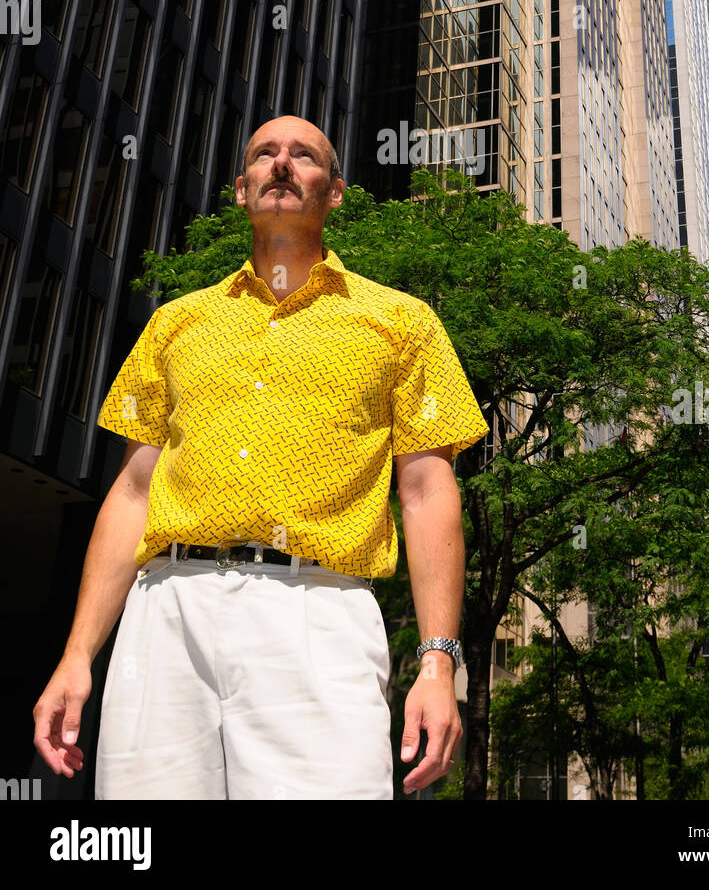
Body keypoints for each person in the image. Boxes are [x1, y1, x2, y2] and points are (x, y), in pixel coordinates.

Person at [33, 115, 489, 799]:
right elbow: (132, 492)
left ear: (334, 192)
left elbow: (426, 492)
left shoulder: (402, 321)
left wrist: (438, 662)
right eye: (264, 155)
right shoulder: (175, 321)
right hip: (166, 613)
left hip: (319, 614)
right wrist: (76, 656)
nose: (281, 163)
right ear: (241, 190)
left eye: (303, 156)